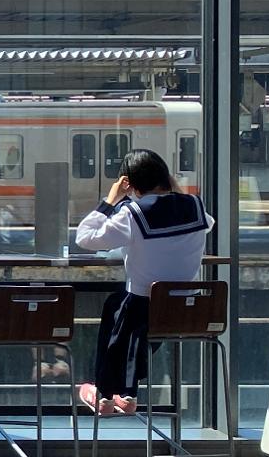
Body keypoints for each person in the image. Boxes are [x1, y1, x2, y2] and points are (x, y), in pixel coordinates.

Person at [73, 147, 212, 416]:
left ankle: (105, 394)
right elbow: (208, 224)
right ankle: (126, 392)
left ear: (131, 184)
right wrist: (176, 192)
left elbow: (85, 238)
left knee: (117, 307)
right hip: (189, 310)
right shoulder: (196, 206)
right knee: (125, 311)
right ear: (166, 177)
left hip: (145, 310)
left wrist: (110, 201)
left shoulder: (133, 213)